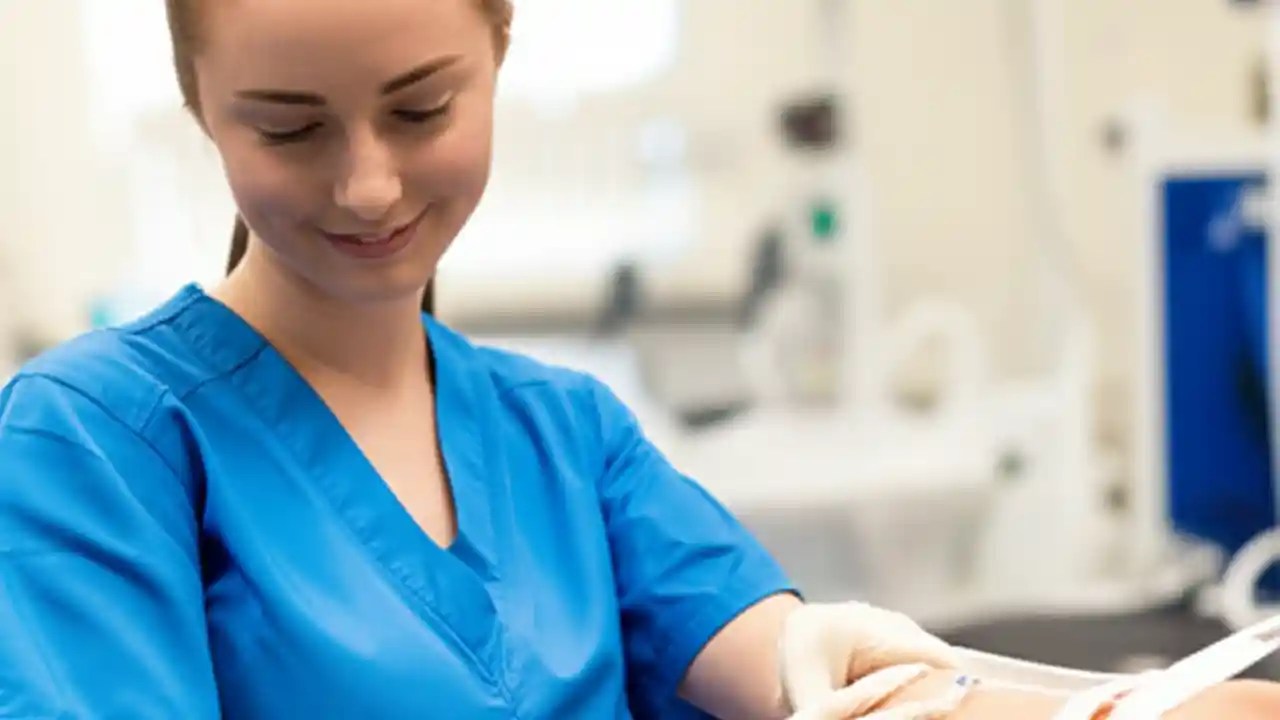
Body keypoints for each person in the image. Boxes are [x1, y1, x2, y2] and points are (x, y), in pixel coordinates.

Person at [0, 1, 1276, 718]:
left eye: (420, 108)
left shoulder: (564, 435)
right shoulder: (92, 441)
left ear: (500, 52)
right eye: (290, 130)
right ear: (199, 107)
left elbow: (818, 678)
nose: (367, 183)